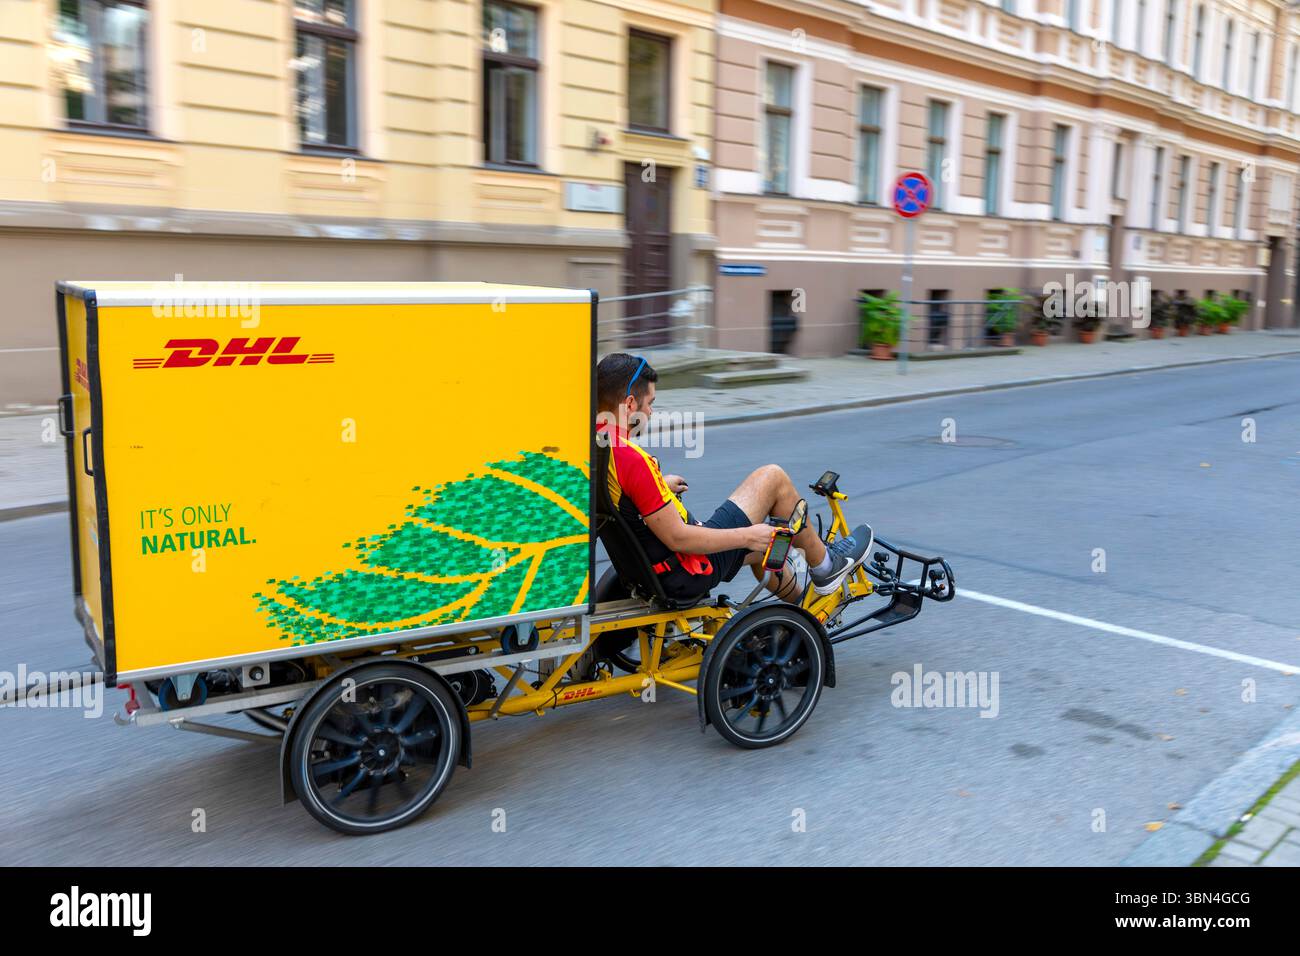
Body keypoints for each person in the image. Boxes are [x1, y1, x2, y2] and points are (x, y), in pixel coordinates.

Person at [595, 352, 868, 602]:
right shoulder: (632, 459)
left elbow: (618, 496)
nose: (651, 412)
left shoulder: (595, 442)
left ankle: (802, 617)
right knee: (773, 478)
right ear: (630, 403)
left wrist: (658, 485)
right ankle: (827, 566)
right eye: (650, 403)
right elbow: (678, 538)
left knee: (768, 548)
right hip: (688, 568)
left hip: (652, 566)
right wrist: (747, 536)